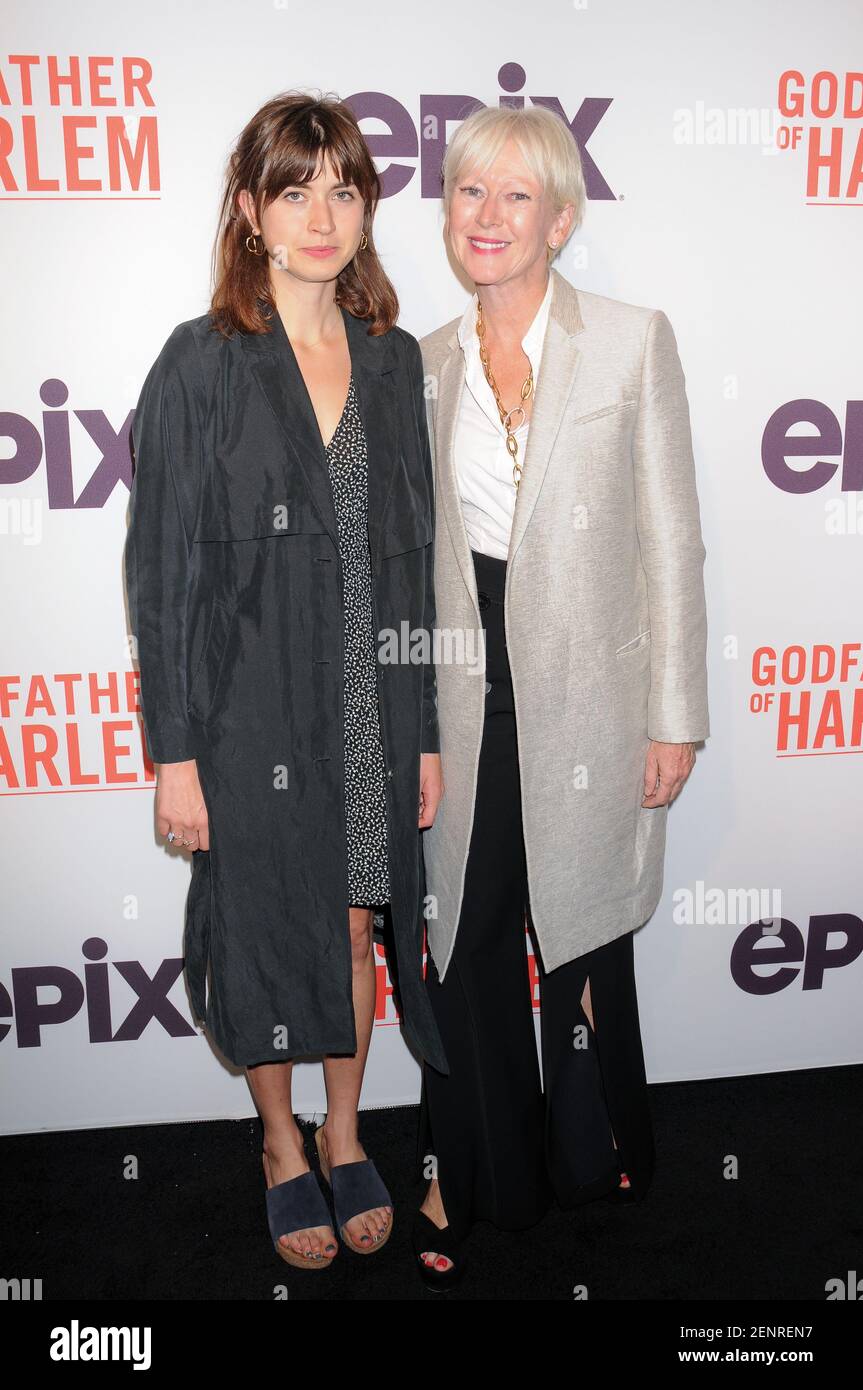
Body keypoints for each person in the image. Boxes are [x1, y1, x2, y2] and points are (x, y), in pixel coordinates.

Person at [124, 92, 446, 1271]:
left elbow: (409, 562)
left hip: (368, 702)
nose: (322, 214)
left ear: (365, 206)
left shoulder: (393, 359)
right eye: (294, 189)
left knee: (357, 922)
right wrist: (174, 752)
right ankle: (276, 1139)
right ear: (251, 211)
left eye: (343, 188)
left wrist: (416, 730)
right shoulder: (201, 362)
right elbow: (158, 573)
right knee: (263, 932)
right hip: (243, 710)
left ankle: (347, 1128)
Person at [412, 104, 709, 1288]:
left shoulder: (632, 341)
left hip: (591, 682)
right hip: (460, 678)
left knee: (580, 923)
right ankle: (483, 1175)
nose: (485, 218)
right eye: (466, 194)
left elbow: (671, 539)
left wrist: (673, 713)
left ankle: (596, 1155)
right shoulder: (421, 362)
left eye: (513, 197)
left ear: (561, 219)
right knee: (468, 937)